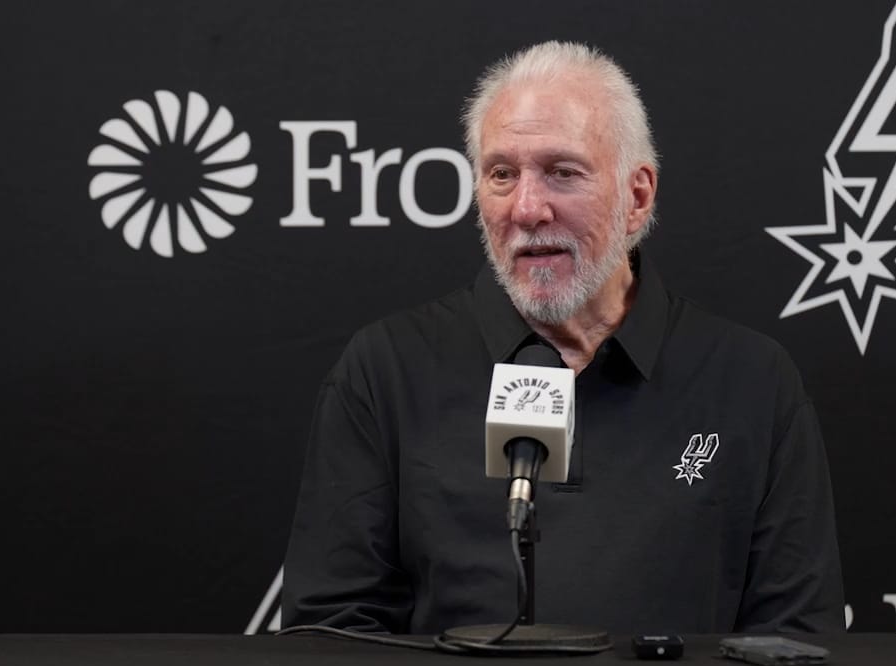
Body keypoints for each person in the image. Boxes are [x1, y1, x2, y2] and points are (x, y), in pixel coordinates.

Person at [282, 41, 844, 634]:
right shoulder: (387, 369)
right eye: (502, 174)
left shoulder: (751, 379)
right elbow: (334, 632)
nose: (527, 208)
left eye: (562, 173)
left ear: (637, 196)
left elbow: (796, 637)